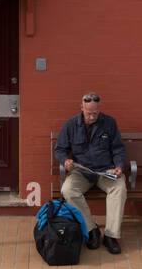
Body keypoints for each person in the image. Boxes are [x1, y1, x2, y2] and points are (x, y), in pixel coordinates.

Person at [54, 92, 127, 254]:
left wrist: (119, 166)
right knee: (67, 190)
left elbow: (118, 148)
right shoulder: (71, 125)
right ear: (81, 108)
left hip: (105, 170)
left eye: (95, 113)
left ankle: (111, 236)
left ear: (100, 109)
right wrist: (65, 161)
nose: (92, 116)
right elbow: (60, 149)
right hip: (82, 171)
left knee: (119, 188)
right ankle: (91, 229)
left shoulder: (109, 123)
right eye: (89, 113)